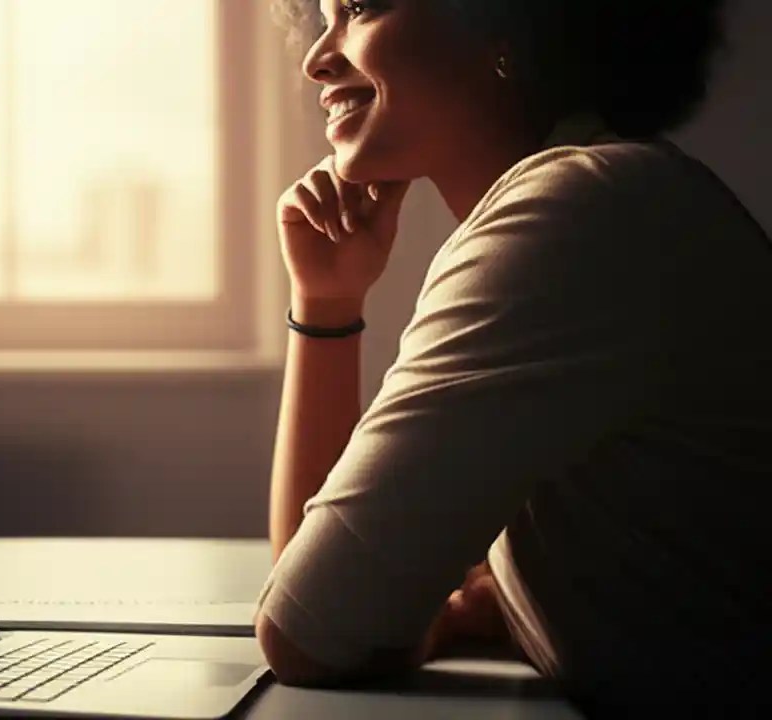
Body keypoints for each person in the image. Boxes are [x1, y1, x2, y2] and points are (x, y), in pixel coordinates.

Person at [255, 0, 771, 715]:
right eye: (323, 16)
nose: (318, 59)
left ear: (504, 19)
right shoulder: (612, 196)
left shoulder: (571, 212)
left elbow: (312, 632)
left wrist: (406, 621)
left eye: (360, 7)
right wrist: (326, 299)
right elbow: (319, 608)